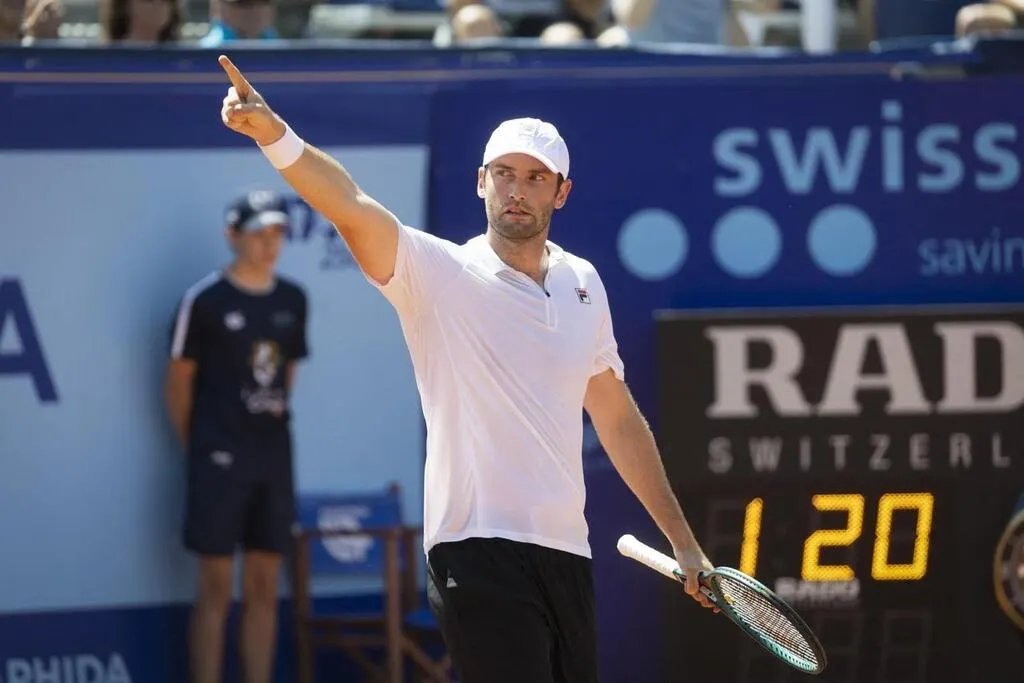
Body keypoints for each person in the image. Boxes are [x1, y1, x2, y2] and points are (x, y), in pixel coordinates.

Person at [216, 54, 715, 682]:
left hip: (566, 555)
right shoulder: (438, 273)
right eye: (504, 173)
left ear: (562, 192)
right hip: (475, 554)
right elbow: (348, 204)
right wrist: (276, 137)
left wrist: (685, 541)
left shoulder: (583, 283)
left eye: (537, 177)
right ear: (481, 182)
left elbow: (615, 418)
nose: (517, 189)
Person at [164, 190, 309, 683]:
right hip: (218, 456)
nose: (270, 244)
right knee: (216, 586)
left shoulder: (293, 299)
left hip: (273, 456)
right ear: (232, 235)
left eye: (278, 234)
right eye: (259, 233)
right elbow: (179, 382)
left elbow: (285, 377)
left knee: (265, 584)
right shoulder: (204, 302)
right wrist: (202, 446)